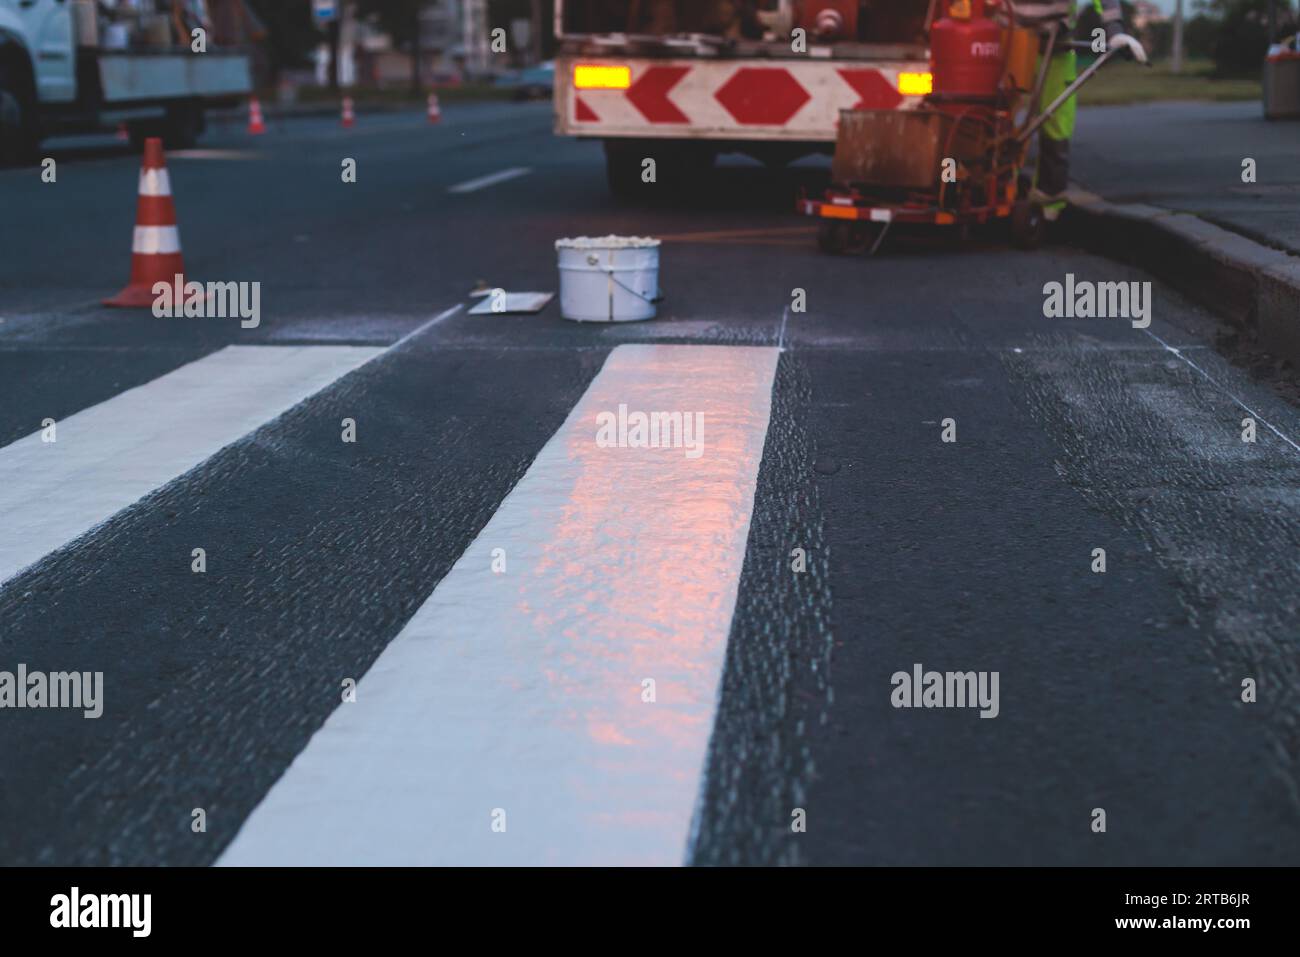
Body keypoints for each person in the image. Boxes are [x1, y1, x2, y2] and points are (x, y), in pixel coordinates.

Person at [1013, 0, 1135, 219]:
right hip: (1002, 37)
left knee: (1057, 123)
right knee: (989, 117)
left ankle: (1047, 200)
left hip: (1053, 44)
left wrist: (1114, 31)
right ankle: (985, 186)